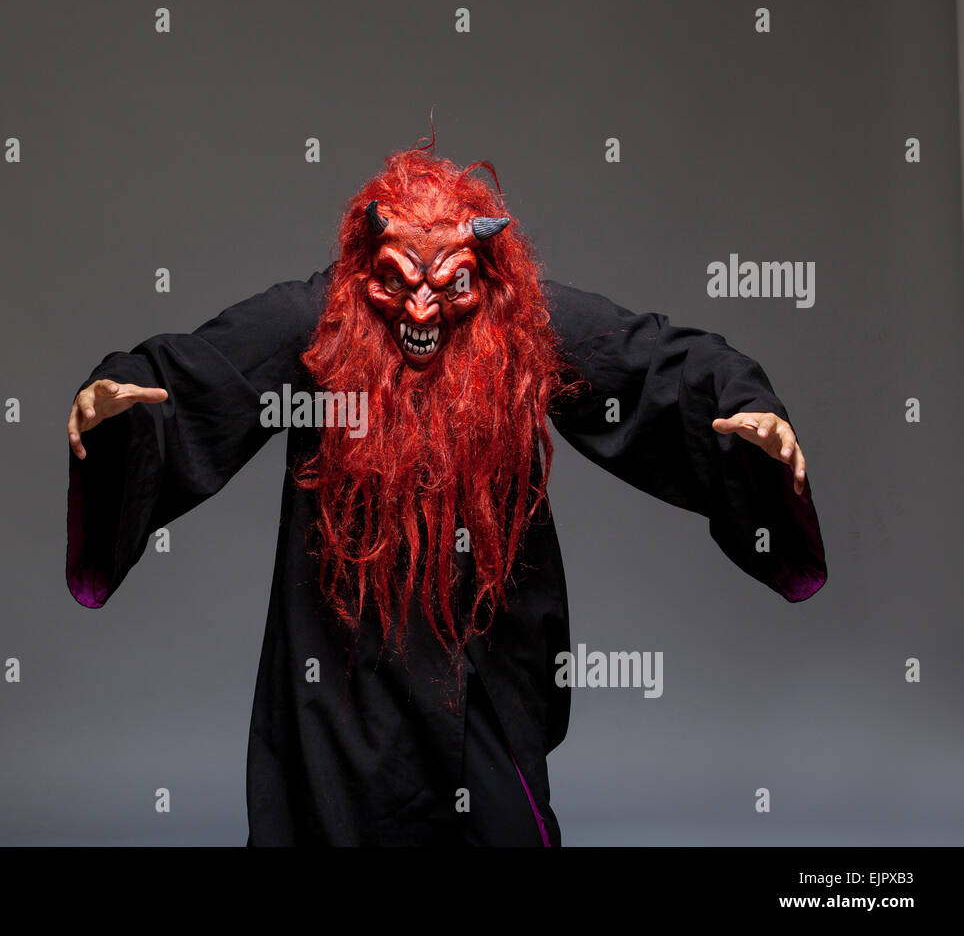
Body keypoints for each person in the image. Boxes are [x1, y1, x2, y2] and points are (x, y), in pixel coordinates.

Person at [64, 145, 827, 846]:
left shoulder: (525, 321)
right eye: (398, 281)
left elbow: (658, 364)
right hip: (345, 660)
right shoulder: (319, 322)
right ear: (368, 268)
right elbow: (200, 372)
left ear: (483, 274)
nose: (422, 312)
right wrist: (123, 405)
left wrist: (747, 408)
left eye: (451, 284)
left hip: (484, 658)